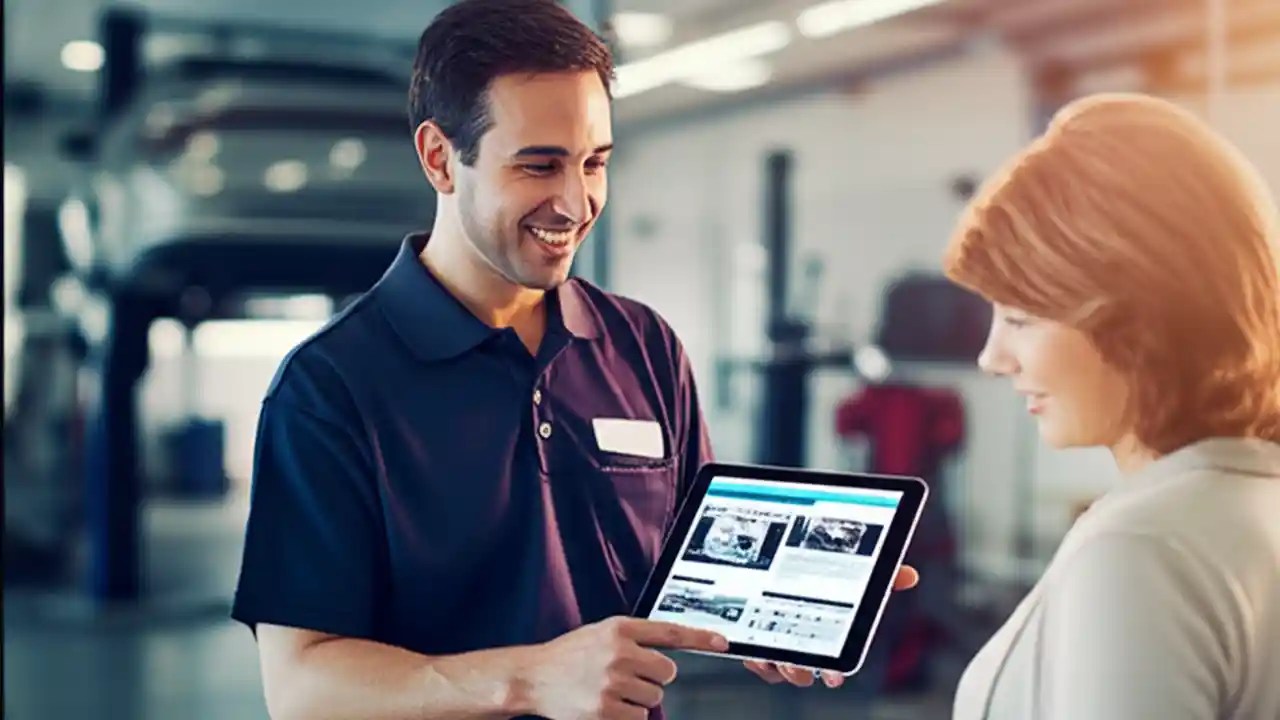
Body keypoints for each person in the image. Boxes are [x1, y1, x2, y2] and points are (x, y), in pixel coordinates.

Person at [231, 1, 916, 719]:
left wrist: (783, 603)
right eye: (539, 165)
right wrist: (530, 680)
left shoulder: (644, 346)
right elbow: (302, 688)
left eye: (595, 163)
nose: (576, 201)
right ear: (440, 158)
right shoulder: (330, 387)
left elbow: (694, 569)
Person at [941, 93, 1280, 719]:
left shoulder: (1138, 548)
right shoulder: (1250, 502)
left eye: (1020, 319)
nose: (992, 357)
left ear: (1138, 319)